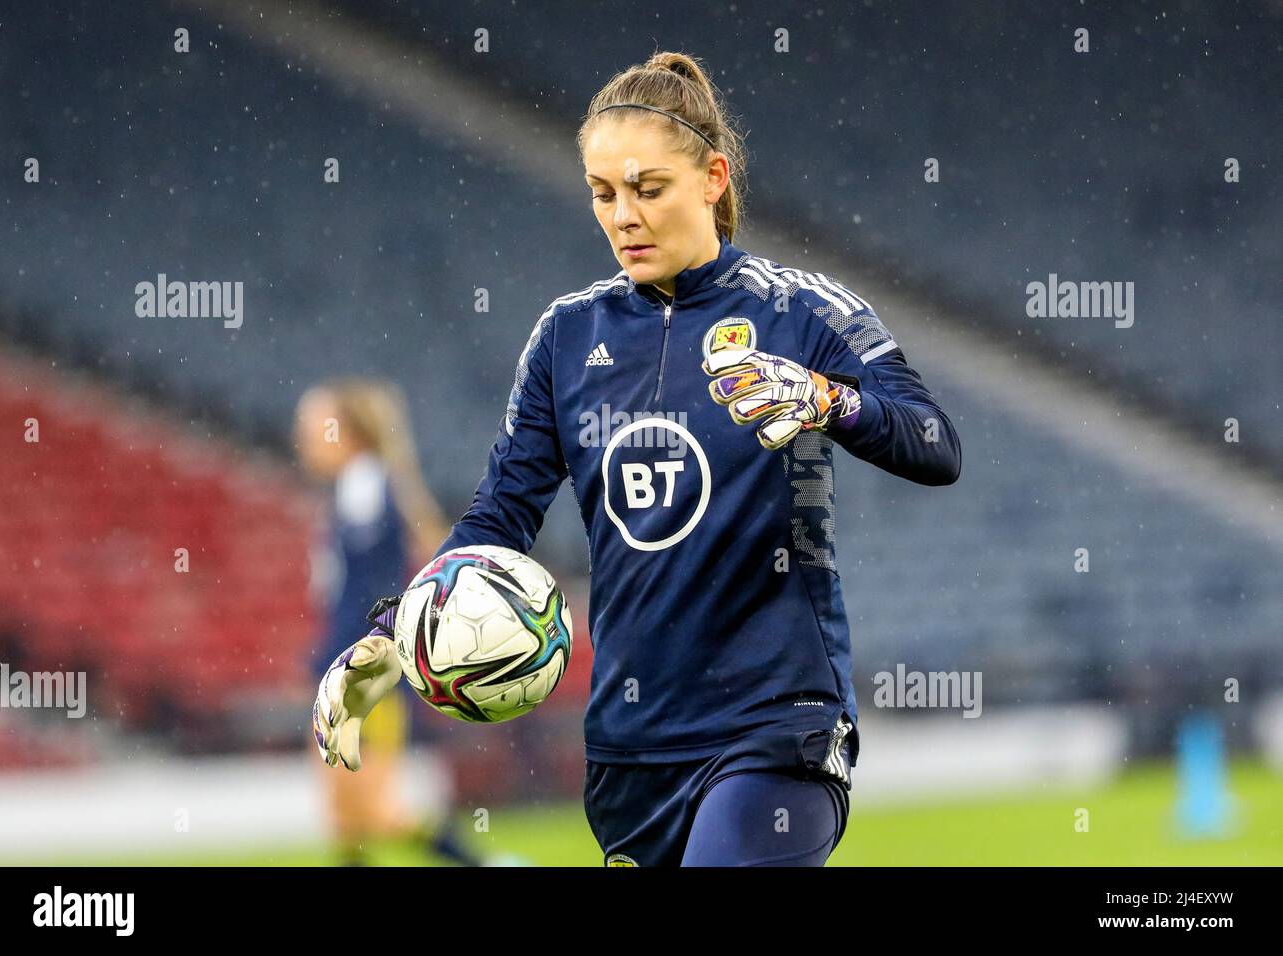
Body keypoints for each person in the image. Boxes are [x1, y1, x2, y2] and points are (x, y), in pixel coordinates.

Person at [313, 51, 960, 866]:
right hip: (631, 753)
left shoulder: (803, 315)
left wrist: (827, 401)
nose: (623, 215)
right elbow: (498, 516)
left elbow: (936, 445)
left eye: (648, 189)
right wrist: (392, 640)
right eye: (603, 193)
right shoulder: (566, 336)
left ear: (713, 178)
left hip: (774, 729)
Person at [295, 379, 488, 867]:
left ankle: (483, 864)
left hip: (365, 671)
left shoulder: (365, 481)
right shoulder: (358, 485)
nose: (305, 439)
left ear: (349, 433)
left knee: (375, 811)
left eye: (316, 427)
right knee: (343, 815)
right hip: (346, 667)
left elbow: (373, 584)